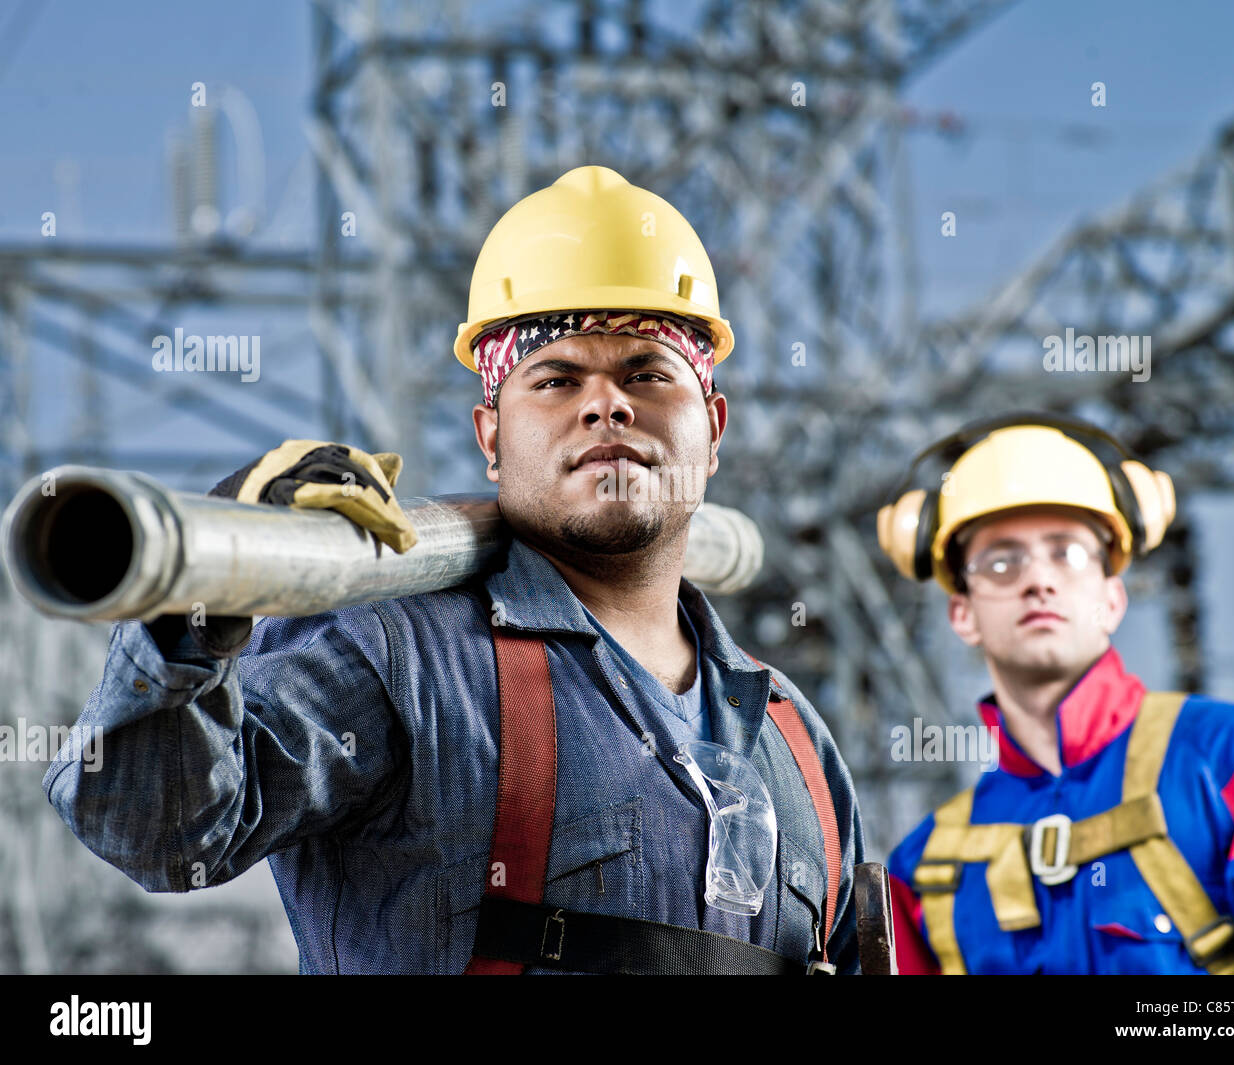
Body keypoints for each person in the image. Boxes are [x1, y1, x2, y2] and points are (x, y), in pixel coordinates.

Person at [43, 165, 866, 975]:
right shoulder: (400, 662)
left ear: (713, 427)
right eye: (556, 377)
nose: (606, 404)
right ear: (491, 436)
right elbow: (157, 827)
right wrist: (203, 584)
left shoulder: (797, 742)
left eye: (648, 373)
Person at [876, 413, 1234, 974]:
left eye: (1068, 552)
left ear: (1113, 598)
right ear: (963, 613)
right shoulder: (922, 875)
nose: (1038, 580)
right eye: (1001, 561)